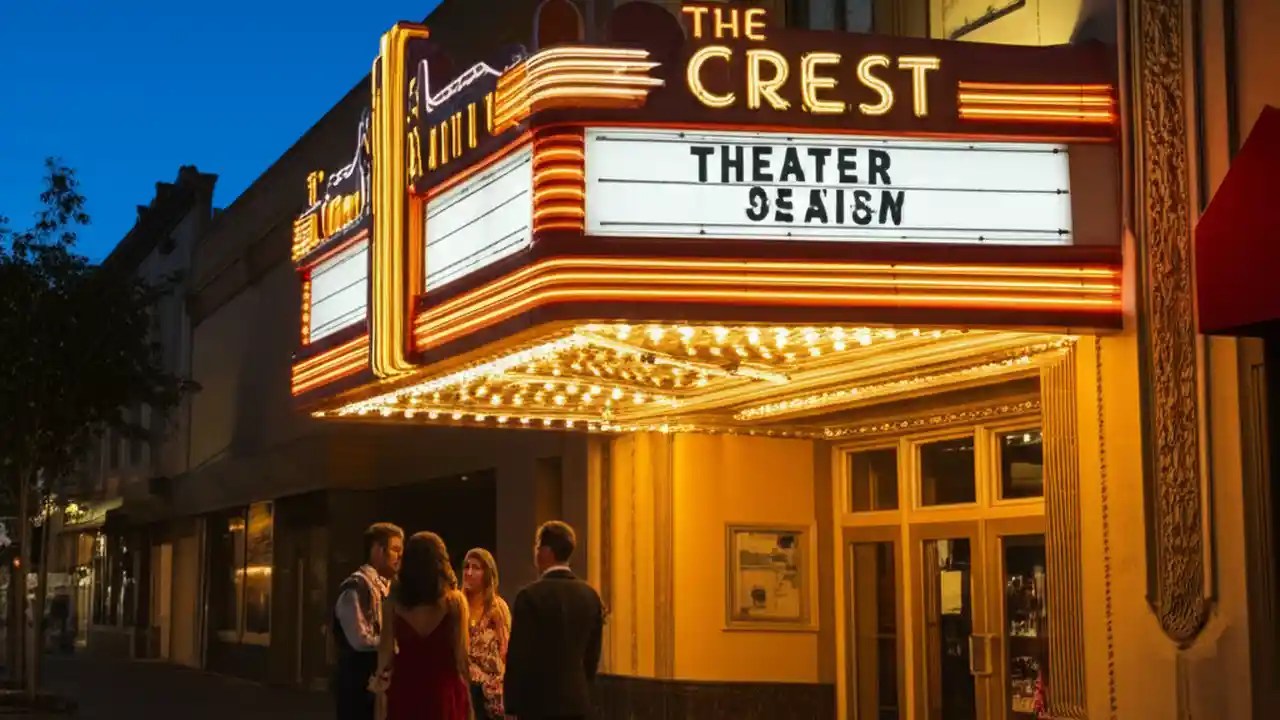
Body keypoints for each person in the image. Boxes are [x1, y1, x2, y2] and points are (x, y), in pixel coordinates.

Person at [504, 521, 604, 720]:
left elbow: (519, 657)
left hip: (538, 705)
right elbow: (592, 656)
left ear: (546, 551)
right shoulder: (590, 596)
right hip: (577, 703)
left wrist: (511, 706)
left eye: (537, 546)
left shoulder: (530, 596)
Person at [374, 531, 471, 720]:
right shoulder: (455, 603)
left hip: (405, 691)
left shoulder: (393, 604)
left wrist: (380, 693)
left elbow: (384, 657)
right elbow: (462, 657)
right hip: (444, 693)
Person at [334, 522, 404, 720]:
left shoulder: (388, 587)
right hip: (359, 688)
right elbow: (359, 639)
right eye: (395, 550)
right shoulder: (355, 588)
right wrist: (393, 643)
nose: (399, 557)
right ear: (377, 550)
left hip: (378, 686)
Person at [462, 548, 511, 720]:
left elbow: (505, 651)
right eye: (466, 567)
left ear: (487, 573)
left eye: (476, 568)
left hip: (491, 692)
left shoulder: (497, 608)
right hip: (463, 686)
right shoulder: (457, 605)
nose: (469, 572)